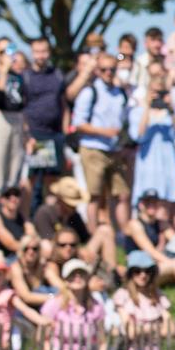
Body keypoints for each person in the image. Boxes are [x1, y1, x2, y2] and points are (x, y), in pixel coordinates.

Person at [71, 51, 131, 232]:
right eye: (104, 69)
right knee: (95, 196)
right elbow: (79, 123)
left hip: (114, 149)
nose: (108, 73)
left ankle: (124, 234)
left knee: (121, 195)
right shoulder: (90, 92)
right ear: (97, 71)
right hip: (93, 149)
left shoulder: (120, 93)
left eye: (112, 69)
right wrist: (104, 132)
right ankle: (94, 234)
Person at [129, 74, 175, 210]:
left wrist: (171, 108)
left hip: (169, 162)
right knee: (151, 205)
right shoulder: (138, 111)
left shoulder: (171, 113)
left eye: (161, 92)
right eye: (154, 92)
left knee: (173, 204)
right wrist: (147, 106)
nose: (158, 96)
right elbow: (138, 135)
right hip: (149, 163)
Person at [0, 41, 28, 221]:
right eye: (3, 52)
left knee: (12, 177)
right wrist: (4, 70)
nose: (8, 56)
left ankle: (10, 219)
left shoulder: (18, 77)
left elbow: (23, 103)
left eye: (10, 51)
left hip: (16, 120)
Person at [22, 37, 68, 212]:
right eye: (37, 52)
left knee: (52, 179)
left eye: (44, 51)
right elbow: (23, 106)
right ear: (32, 53)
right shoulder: (26, 76)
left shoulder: (57, 74)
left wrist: (65, 131)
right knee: (34, 179)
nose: (41, 56)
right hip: (36, 133)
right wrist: (27, 134)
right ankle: (31, 217)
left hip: (55, 133)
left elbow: (63, 104)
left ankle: (50, 217)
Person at [33, 178, 117, 271]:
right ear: (60, 200)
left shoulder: (74, 216)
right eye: (71, 203)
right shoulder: (44, 213)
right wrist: (77, 250)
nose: (74, 206)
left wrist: (84, 252)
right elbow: (49, 243)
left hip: (75, 254)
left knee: (105, 230)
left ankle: (111, 274)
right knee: (46, 246)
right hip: (54, 258)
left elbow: (85, 239)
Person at [123, 190, 175, 286]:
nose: (151, 205)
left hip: (157, 265)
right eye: (148, 202)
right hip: (140, 271)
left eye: (154, 202)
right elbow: (151, 252)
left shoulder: (161, 223)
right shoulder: (135, 224)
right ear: (141, 205)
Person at [0, 186, 35, 257]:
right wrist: (30, 248)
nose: (13, 198)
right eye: (8, 195)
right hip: (2, 259)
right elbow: (10, 244)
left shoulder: (23, 218)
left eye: (16, 195)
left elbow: (33, 236)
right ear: (1, 200)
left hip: (20, 256)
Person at [9, 233, 53, 308]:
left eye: (34, 249)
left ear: (39, 250)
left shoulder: (42, 266)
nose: (30, 251)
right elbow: (26, 297)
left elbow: (58, 284)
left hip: (40, 304)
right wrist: (54, 298)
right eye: (26, 248)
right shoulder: (16, 267)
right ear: (21, 250)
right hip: (20, 309)